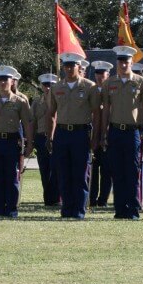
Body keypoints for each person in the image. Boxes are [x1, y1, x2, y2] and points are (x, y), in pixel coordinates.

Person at [100, 47, 143, 220]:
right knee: (117, 171)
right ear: (117, 63)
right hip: (115, 131)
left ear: (132, 63)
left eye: (126, 62)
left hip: (133, 133)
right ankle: (120, 209)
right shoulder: (110, 83)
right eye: (121, 61)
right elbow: (105, 111)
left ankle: (132, 209)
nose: (123, 65)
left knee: (132, 172)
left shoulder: (141, 82)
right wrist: (103, 134)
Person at [48, 53, 102, 219]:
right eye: (66, 66)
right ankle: (66, 209)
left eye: (73, 65)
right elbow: (51, 114)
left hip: (80, 133)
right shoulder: (56, 88)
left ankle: (79, 210)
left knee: (80, 174)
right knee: (63, 174)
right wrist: (51, 137)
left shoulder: (89, 86)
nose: (69, 69)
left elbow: (96, 114)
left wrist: (95, 138)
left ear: (80, 66)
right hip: (62, 133)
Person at [0, 66, 33, 218]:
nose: (3, 82)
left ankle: (11, 209)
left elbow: (27, 124)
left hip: (12, 141)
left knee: (12, 176)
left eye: (6, 80)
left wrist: (30, 144)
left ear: (12, 82)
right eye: (0, 80)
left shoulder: (20, 102)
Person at [89, 60, 114, 208]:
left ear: (108, 74)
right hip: (92, 134)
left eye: (102, 74)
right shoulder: (90, 91)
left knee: (107, 170)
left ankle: (103, 200)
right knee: (92, 168)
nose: (99, 77)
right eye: (97, 74)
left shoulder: (112, 91)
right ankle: (91, 199)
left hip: (108, 134)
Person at [33, 73, 60, 206]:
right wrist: (31, 140)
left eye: (51, 85)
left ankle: (57, 197)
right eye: (45, 85)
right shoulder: (37, 102)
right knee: (44, 169)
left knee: (57, 169)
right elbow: (32, 121)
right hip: (41, 136)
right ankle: (48, 198)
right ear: (42, 87)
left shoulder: (61, 99)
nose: (48, 88)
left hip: (57, 137)